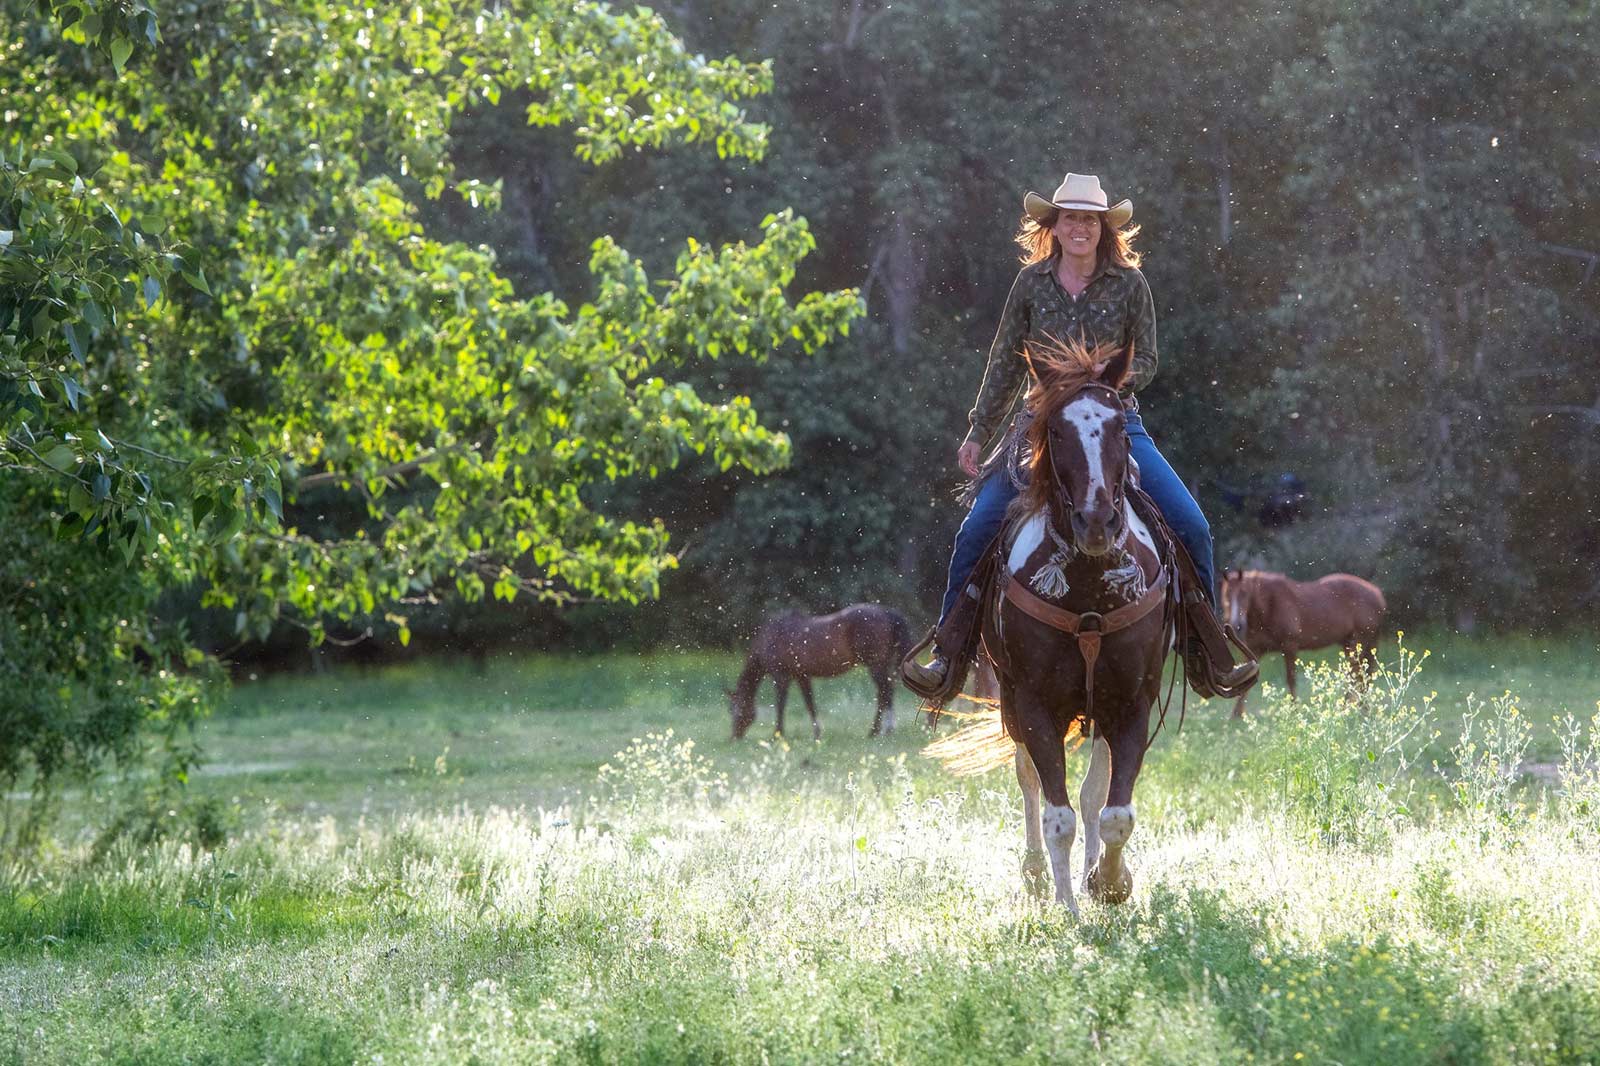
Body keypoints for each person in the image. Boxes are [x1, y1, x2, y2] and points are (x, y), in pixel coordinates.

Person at [902, 172, 1257, 695]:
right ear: (1055, 225)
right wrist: (979, 431)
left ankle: (1207, 648)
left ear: (1103, 228)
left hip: (1115, 422)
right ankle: (948, 655)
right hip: (1038, 427)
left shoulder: (1130, 284)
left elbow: (1151, 358)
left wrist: (1106, 382)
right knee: (976, 529)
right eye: (1070, 217)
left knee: (1192, 525)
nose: (1080, 227)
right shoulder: (1030, 284)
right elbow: (1003, 362)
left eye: (1089, 219)